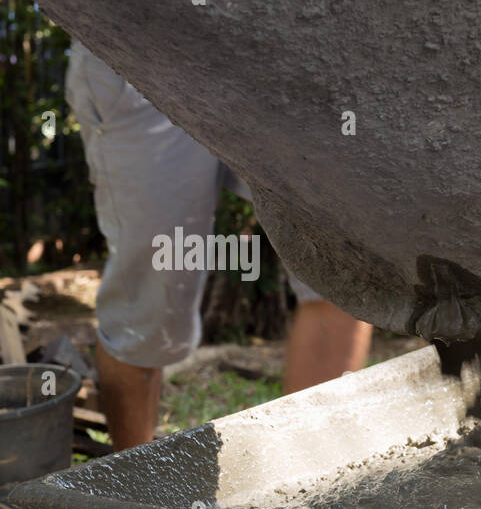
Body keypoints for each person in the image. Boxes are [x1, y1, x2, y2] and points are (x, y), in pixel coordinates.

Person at [64, 42, 371, 450]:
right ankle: (133, 504)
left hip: (279, 50)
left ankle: (304, 493)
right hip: (139, 56)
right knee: (149, 307)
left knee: (346, 268)